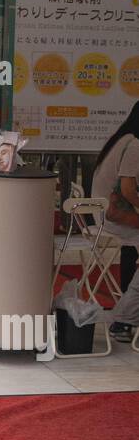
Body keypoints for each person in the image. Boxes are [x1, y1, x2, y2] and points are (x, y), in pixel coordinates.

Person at [91, 102, 139, 342]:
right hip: (112, 217)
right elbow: (129, 190)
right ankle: (125, 318)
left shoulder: (121, 138)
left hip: (99, 214)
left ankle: (126, 315)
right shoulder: (134, 145)